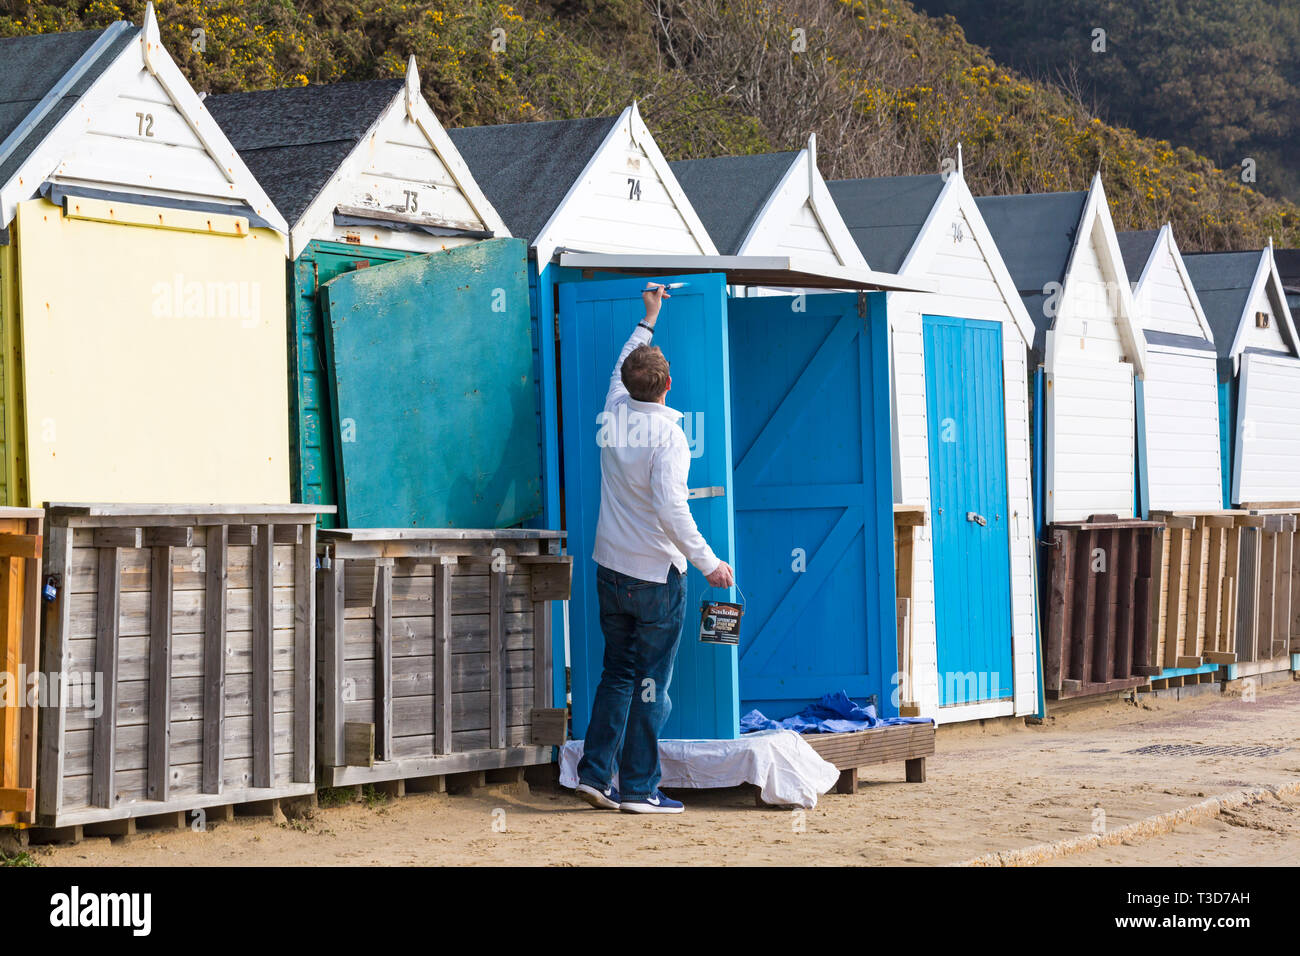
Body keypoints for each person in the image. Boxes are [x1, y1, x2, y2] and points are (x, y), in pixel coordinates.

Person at [575, 282, 734, 815]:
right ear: (669, 385)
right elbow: (672, 509)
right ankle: (640, 789)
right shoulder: (669, 436)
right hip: (654, 579)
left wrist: (648, 318)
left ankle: (595, 776)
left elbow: (626, 363)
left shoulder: (613, 413)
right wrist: (710, 564)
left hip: (609, 568)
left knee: (617, 674)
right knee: (649, 684)